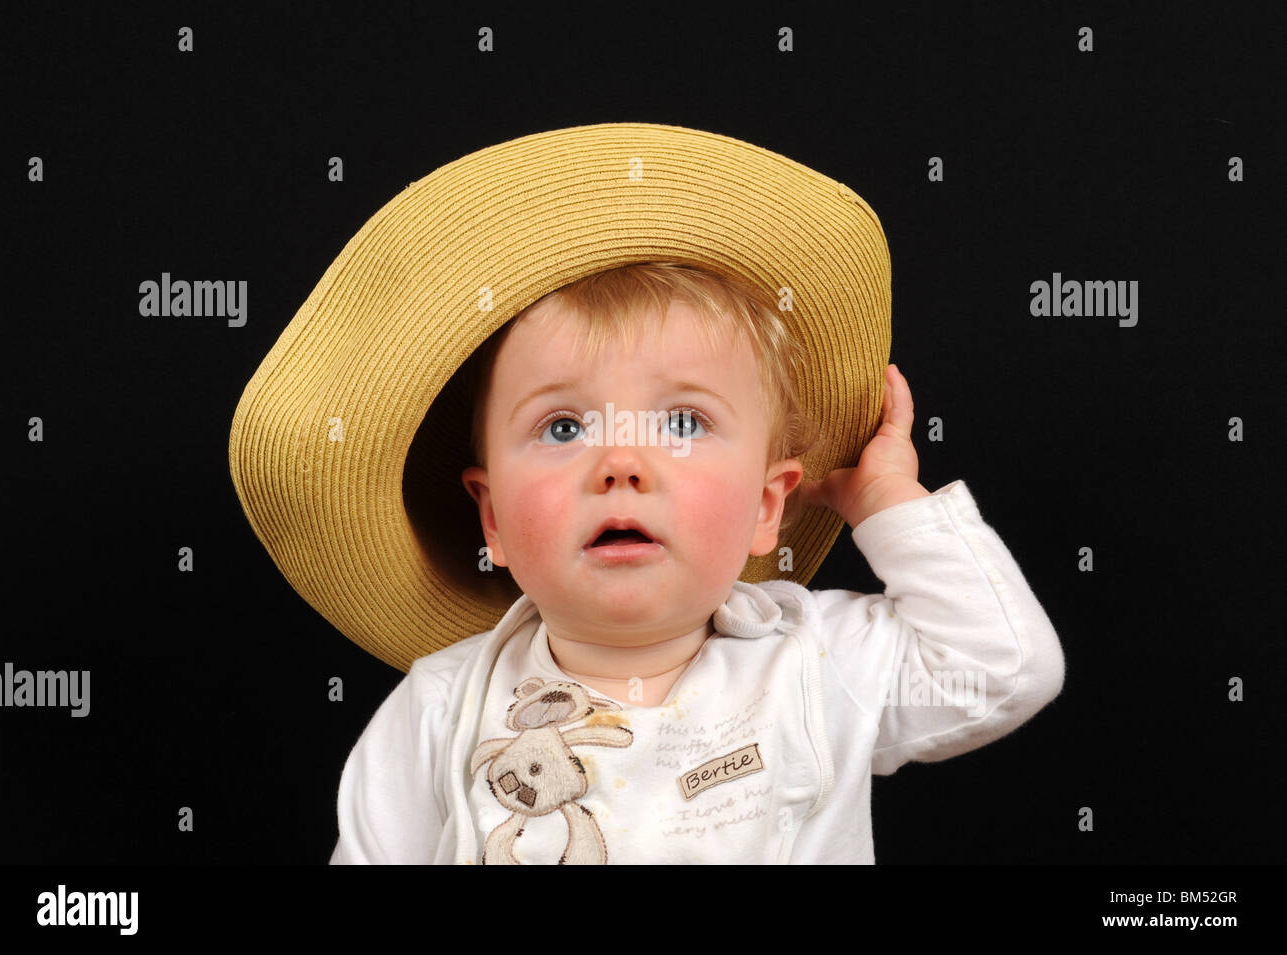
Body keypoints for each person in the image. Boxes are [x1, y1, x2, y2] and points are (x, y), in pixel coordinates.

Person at [228, 123, 1065, 864]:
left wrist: (888, 500)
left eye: (684, 423)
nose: (621, 464)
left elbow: (1001, 669)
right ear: (493, 519)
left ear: (767, 505)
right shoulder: (442, 708)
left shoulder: (816, 663)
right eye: (563, 428)